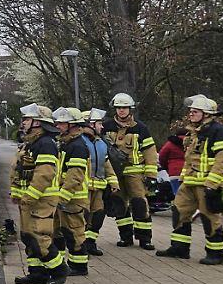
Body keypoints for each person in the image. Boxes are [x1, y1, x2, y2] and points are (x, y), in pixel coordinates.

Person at [156, 95, 223, 264]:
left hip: (207, 184)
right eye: (190, 111)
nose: (191, 114)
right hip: (190, 182)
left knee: (210, 216)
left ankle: (215, 254)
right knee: (179, 210)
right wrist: (184, 178)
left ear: (207, 114)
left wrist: (212, 185)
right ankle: (180, 248)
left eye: (195, 111)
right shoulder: (194, 132)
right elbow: (191, 159)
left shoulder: (218, 131)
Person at [13, 104, 70, 284]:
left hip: (41, 199)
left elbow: (44, 174)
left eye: (27, 120)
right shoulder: (32, 142)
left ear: (37, 123)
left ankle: (60, 269)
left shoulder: (45, 144)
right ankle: (37, 273)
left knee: (40, 237)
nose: (23, 123)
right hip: (30, 200)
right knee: (28, 236)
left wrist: (29, 197)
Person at [102, 93, 159, 250]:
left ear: (130, 109)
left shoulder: (140, 128)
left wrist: (151, 176)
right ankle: (125, 237)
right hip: (115, 173)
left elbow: (150, 152)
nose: (121, 111)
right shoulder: (106, 127)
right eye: (119, 108)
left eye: (124, 108)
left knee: (139, 203)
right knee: (119, 204)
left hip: (135, 172)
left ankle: (144, 239)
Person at [53, 107, 92, 276]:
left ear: (73, 125)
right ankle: (63, 264)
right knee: (61, 231)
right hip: (65, 197)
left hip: (73, 199)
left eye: (62, 123)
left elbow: (74, 177)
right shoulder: (68, 143)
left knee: (74, 232)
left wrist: (62, 198)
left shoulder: (78, 146)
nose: (58, 126)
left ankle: (79, 266)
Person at [79, 108, 119, 257]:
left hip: (99, 188)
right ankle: (80, 243)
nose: (102, 127)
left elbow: (106, 164)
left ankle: (91, 242)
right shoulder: (80, 143)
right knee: (82, 216)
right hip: (83, 188)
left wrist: (114, 182)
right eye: (99, 123)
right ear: (89, 124)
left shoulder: (101, 143)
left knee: (98, 215)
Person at [158, 129, 187, 195]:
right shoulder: (192, 142)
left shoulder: (170, 144)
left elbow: (162, 156)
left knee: (177, 195)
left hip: (174, 172)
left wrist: (166, 167)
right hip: (189, 172)